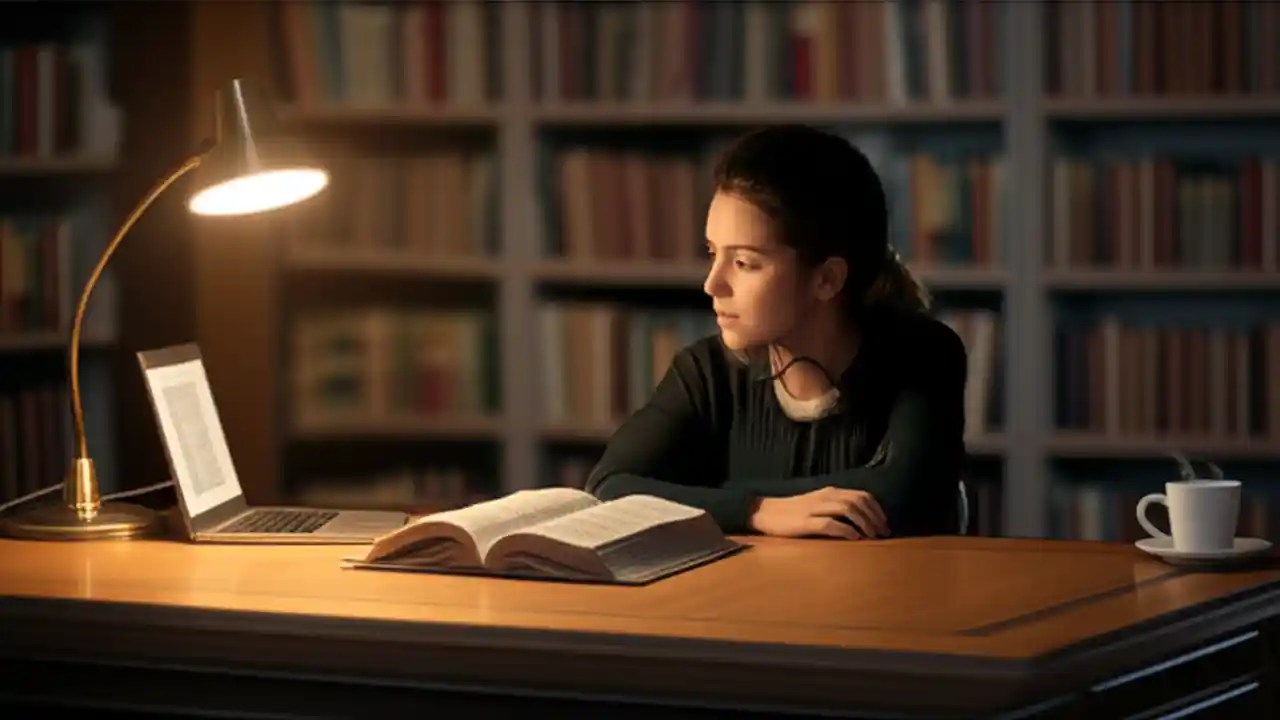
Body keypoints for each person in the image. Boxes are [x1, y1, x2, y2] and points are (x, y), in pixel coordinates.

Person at [583, 125, 969, 540]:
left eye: (744, 263)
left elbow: (904, 494)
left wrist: (707, 498)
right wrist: (755, 510)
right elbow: (609, 487)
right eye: (713, 253)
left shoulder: (923, 355)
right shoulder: (706, 372)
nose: (712, 284)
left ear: (827, 279)